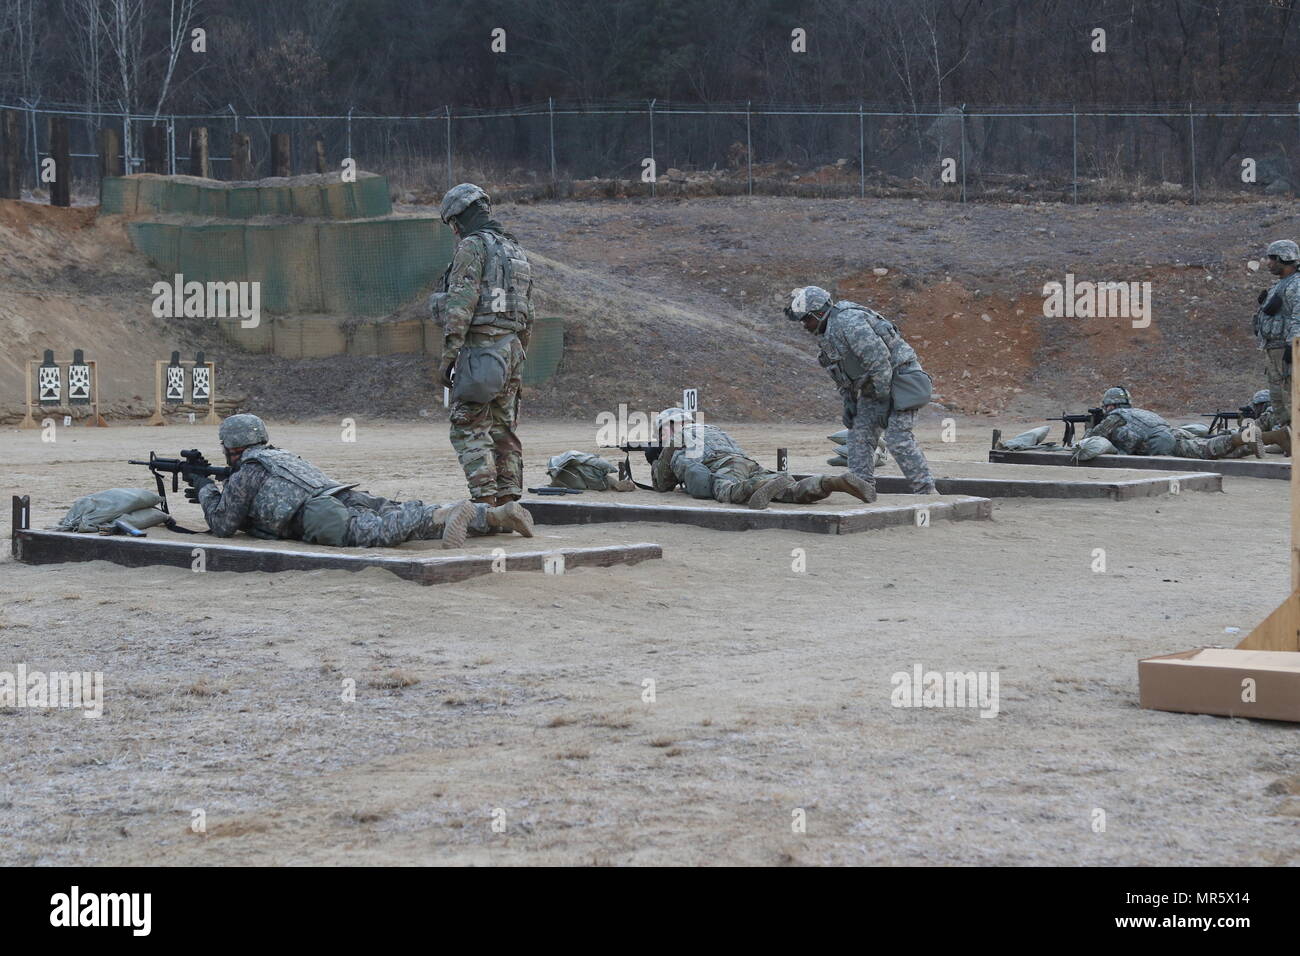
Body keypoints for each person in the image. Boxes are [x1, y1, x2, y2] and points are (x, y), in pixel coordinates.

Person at [192, 414, 533, 548]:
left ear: (232, 447)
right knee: (396, 515)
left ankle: (443, 514)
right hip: (339, 493)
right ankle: (491, 516)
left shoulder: (248, 471)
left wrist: (204, 487)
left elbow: (223, 525)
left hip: (317, 513)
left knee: (378, 533)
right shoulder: (278, 456)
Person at [432, 183, 534, 507]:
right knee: (503, 427)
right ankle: (508, 503)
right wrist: (519, 350)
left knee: (467, 425)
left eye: (452, 224)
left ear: (459, 219)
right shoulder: (514, 250)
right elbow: (528, 309)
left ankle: (485, 503)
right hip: (513, 349)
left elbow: (461, 303)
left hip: (482, 351)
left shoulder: (473, 247)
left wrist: (449, 355)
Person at [785, 286, 936, 495]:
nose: (804, 326)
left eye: (806, 319)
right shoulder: (828, 334)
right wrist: (849, 400)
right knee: (858, 436)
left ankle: (926, 492)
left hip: (900, 381)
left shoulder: (849, 322)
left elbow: (880, 362)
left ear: (819, 313)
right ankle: (861, 488)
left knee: (897, 438)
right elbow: (842, 373)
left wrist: (883, 399)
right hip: (873, 387)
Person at [648, 407, 873, 508]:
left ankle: (761, 485)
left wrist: (656, 457)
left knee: (726, 490)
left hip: (722, 466)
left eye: (661, 432)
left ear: (668, 427)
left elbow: (663, 485)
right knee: (789, 491)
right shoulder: (713, 428)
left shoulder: (677, 438)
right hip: (746, 462)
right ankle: (830, 482)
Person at [1082, 387, 1263, 460]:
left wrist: (1090, 425)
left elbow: (1090, 440)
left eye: (1106, 407)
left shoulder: (1115, 417)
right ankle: (1245, 446)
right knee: (1206, 443)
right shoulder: (1136, 412)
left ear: (1111, 405)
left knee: (1205, 450)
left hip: (1161, 443)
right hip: (1170, 432)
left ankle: (1242, 438)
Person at [1252, 240, 1300, 429]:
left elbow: (1298, 317)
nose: (1268, 262)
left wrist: (1293, 345)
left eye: (1272, 258)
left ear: (1284, 258)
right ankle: (1285, 435)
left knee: (1290, 395)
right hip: (1273, 348)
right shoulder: (1280, 285)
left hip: (1285, 349)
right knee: (1278, 397)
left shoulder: (1296, 285)